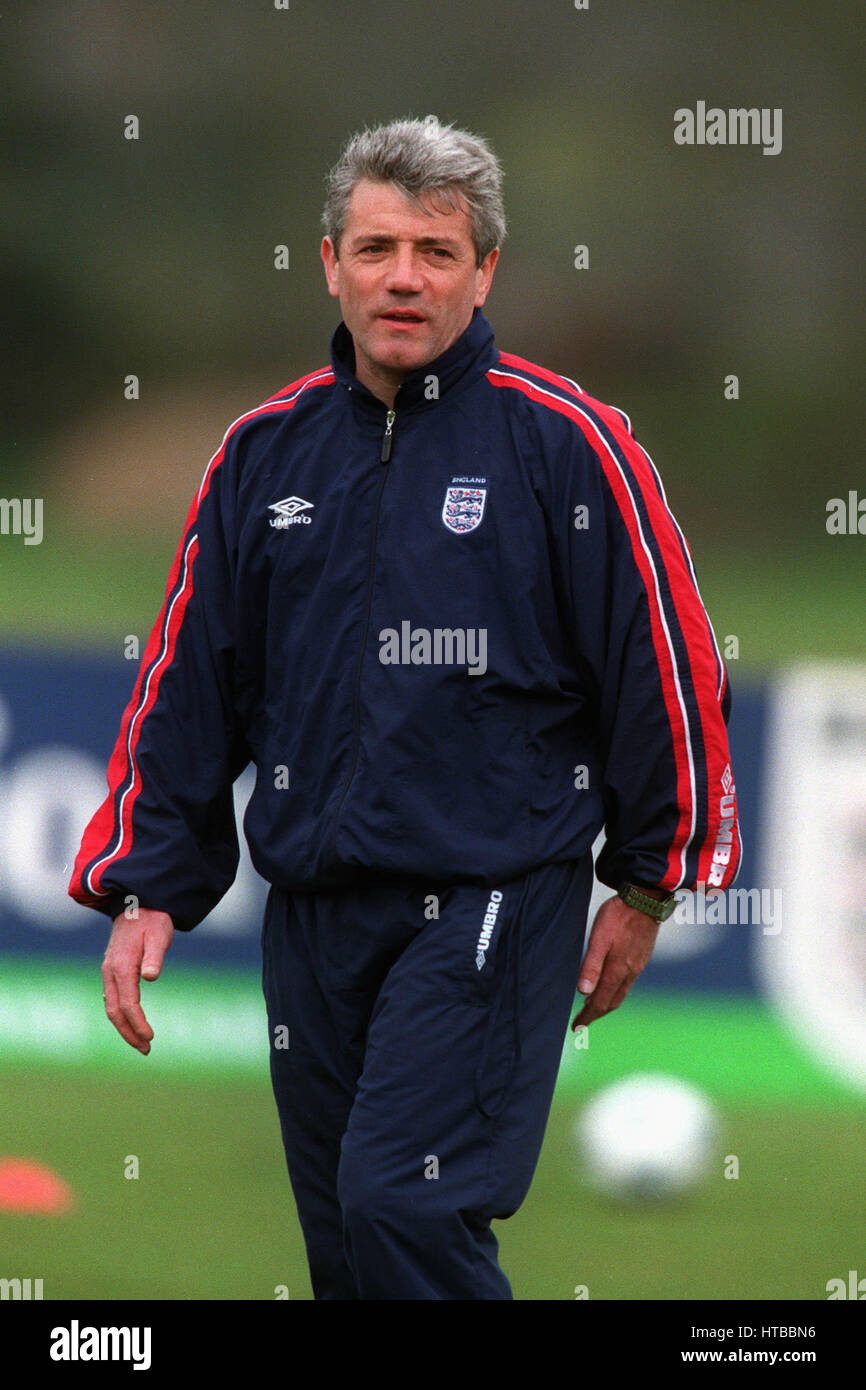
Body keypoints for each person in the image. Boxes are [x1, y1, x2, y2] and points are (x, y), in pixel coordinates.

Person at [69, 115, 741, 1300]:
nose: (403, 276)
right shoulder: (260, 454)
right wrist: (147, 881)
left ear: (485, 272)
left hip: (491, 895)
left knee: (404, 1204)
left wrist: (647, 881)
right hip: (315, 915)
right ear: (328, 260)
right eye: (376, 246)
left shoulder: (568, 445)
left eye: (436, 251)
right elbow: (187, 680)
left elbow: (669, 673)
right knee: (346, 1251)